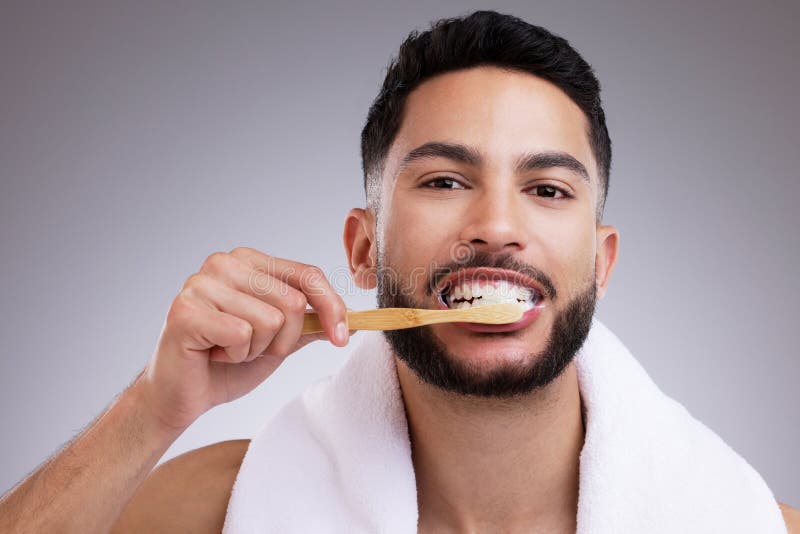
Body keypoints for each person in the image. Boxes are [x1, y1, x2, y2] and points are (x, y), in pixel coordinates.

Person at [1, 10, 797, 534]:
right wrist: (152, 410)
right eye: (446, 181)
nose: (496, 226)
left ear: (602, 261)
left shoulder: (746, 520)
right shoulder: (216, 510)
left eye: (548, 190)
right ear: (362, 248)